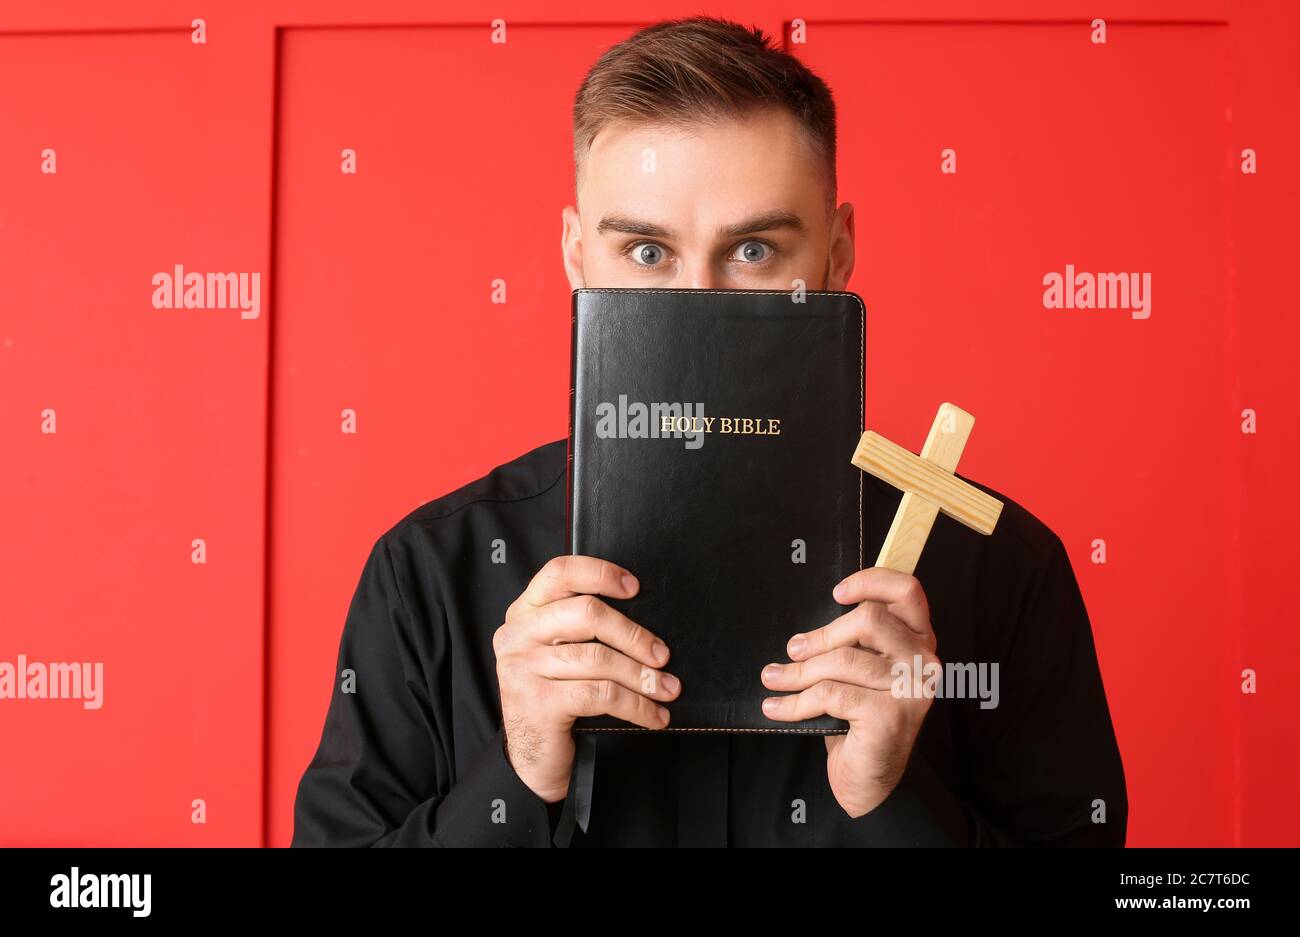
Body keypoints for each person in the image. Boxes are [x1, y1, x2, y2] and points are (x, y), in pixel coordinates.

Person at [291, 16, 1127, 847]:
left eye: (756, 250)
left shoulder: (1004, 569)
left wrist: (893, 803)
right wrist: (516, 776)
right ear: (577, 259)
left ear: (836, 258)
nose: (701, 303)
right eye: (647, 253)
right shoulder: (431, 572)